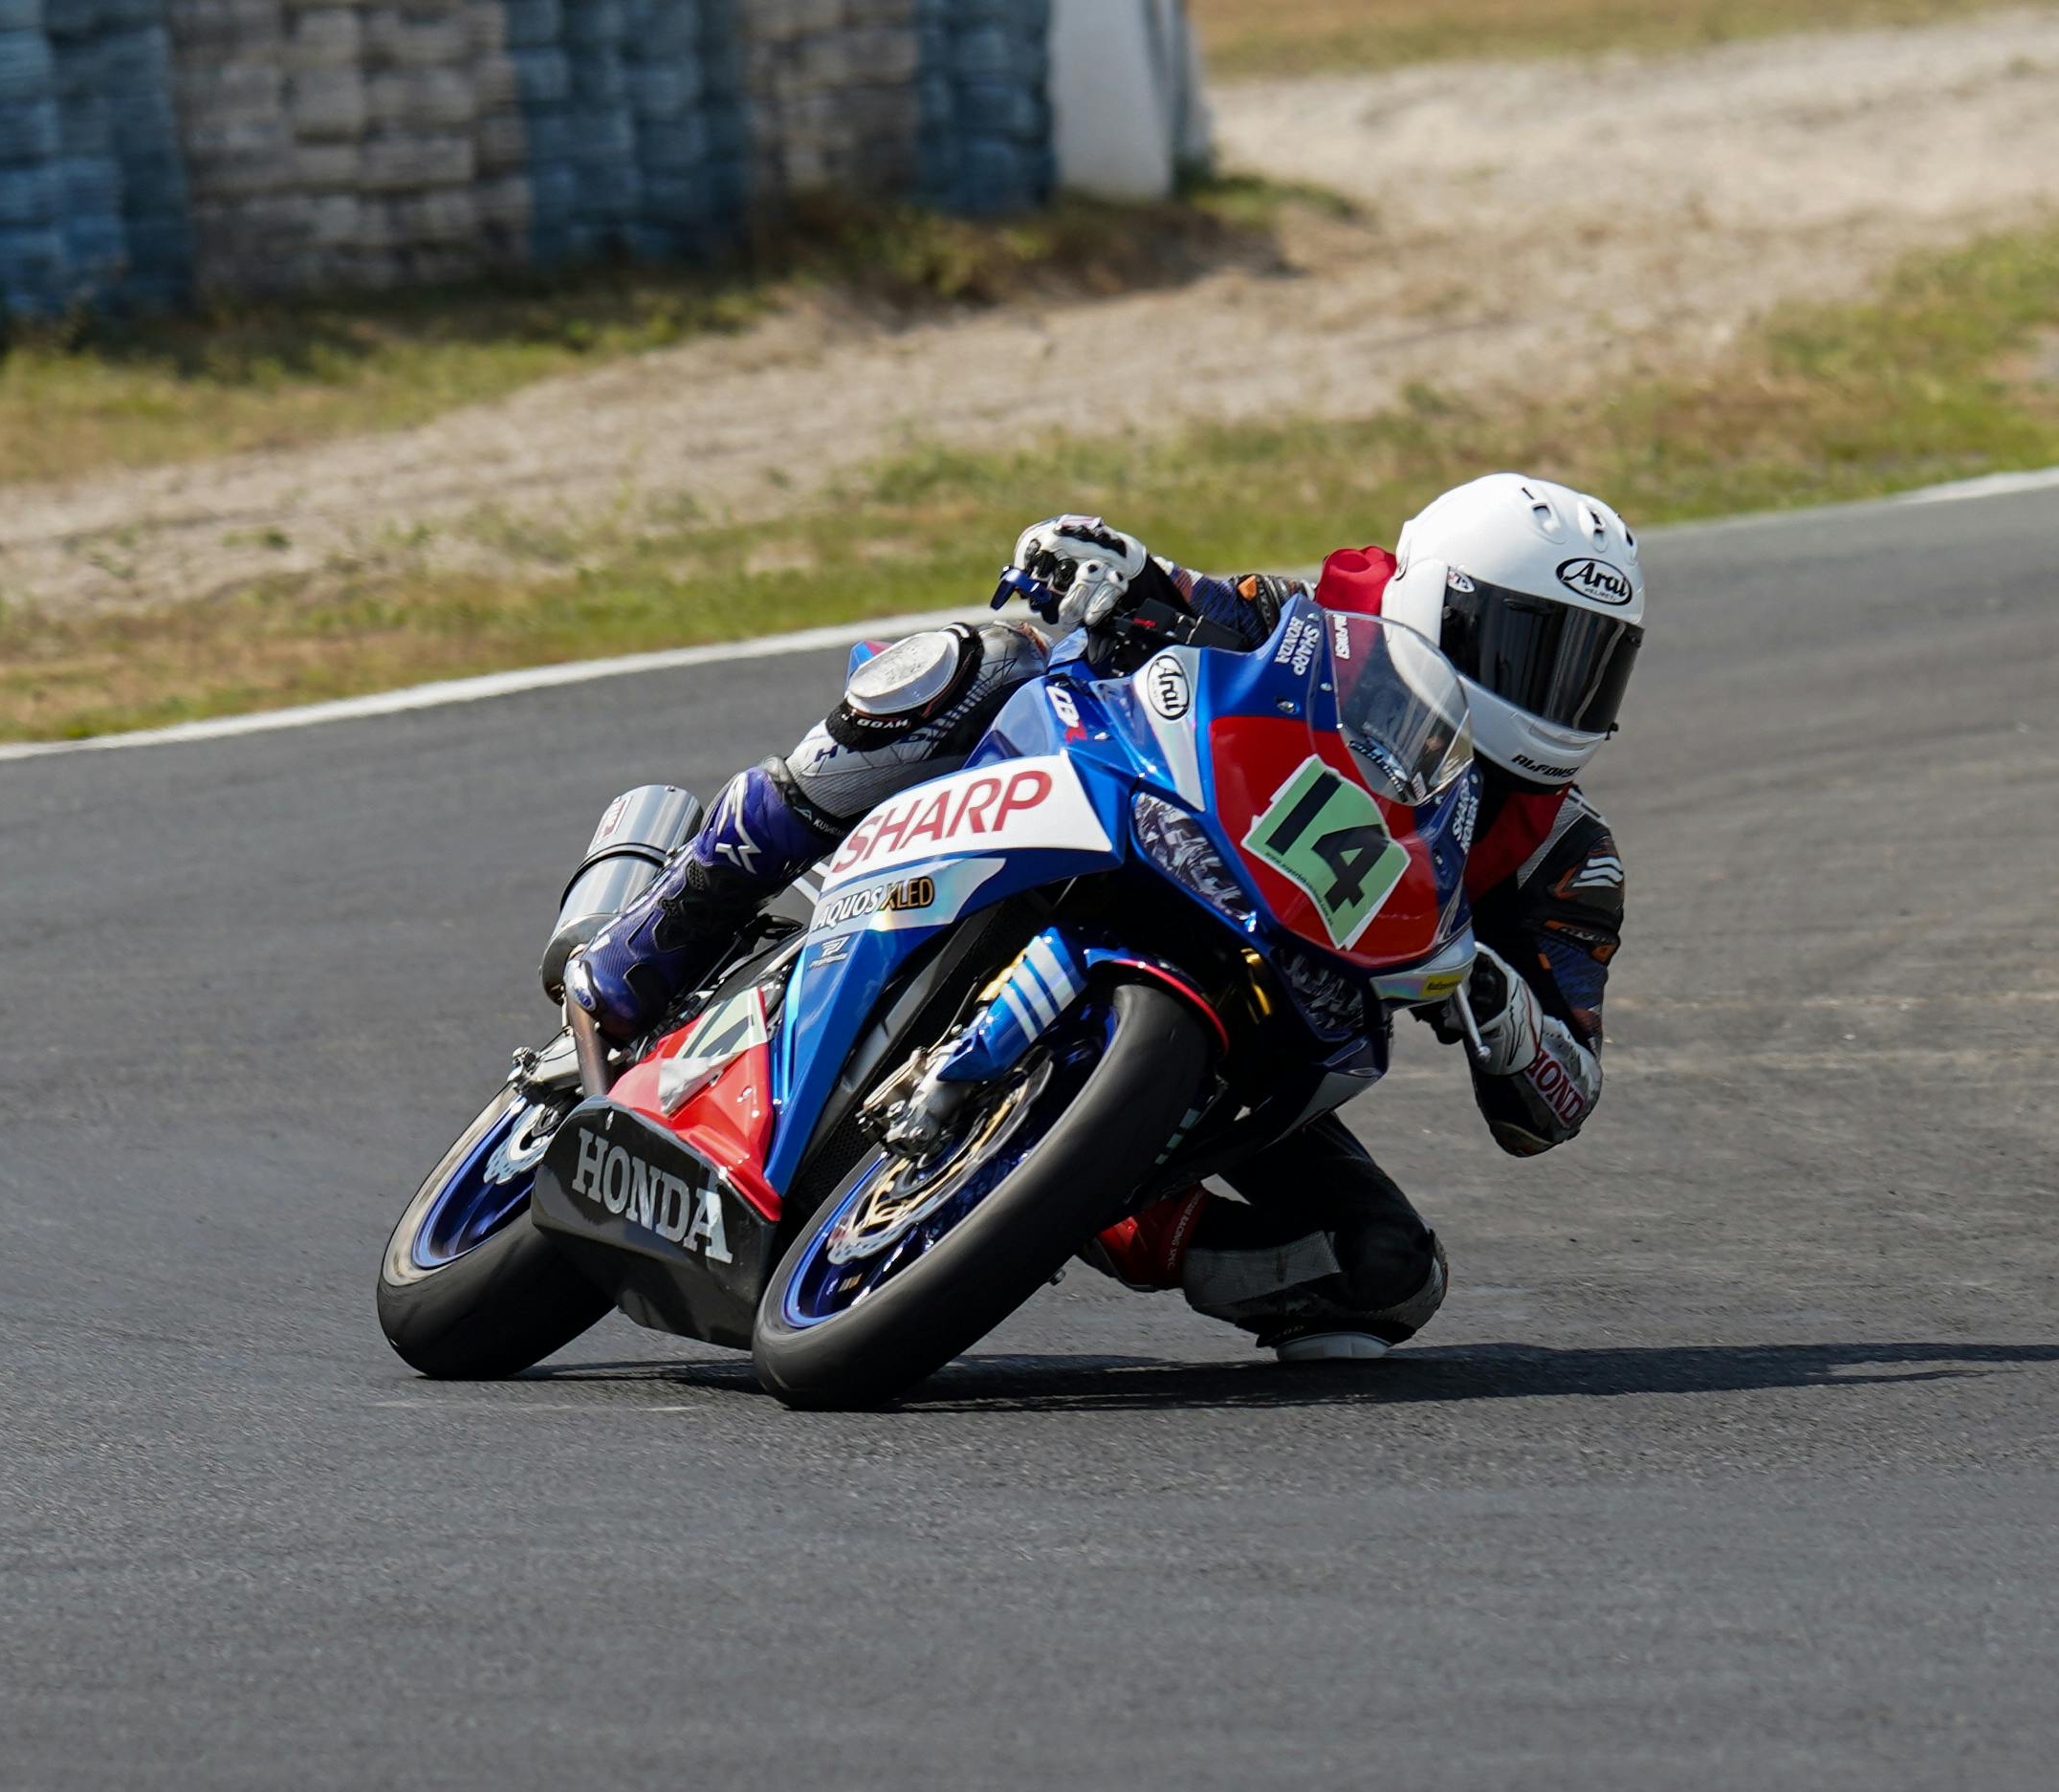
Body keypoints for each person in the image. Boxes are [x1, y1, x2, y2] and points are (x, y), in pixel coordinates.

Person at [565, 475, 1643, 1361]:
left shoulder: (1566, 855)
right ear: (1434, 601)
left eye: (1589, 664)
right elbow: (1204, 601)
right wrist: (1120, 568)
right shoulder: (1325, 628)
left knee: (1379, 1270)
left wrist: (1502, 1007)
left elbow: (1559, 1099)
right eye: (1527, 644)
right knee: (969, 661)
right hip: (1150, 830)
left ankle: (1068, 1194)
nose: (1553, 692)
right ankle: (662, 934)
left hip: (1280, 1017)